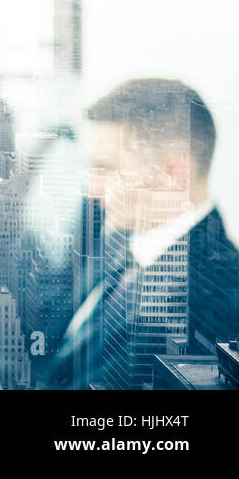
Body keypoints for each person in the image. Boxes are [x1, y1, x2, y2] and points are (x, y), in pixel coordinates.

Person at [43, 78, 239, 389]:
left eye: (106, 169)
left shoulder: (203, 306)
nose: (90, 190)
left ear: (171, 175)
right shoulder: (126, 234)